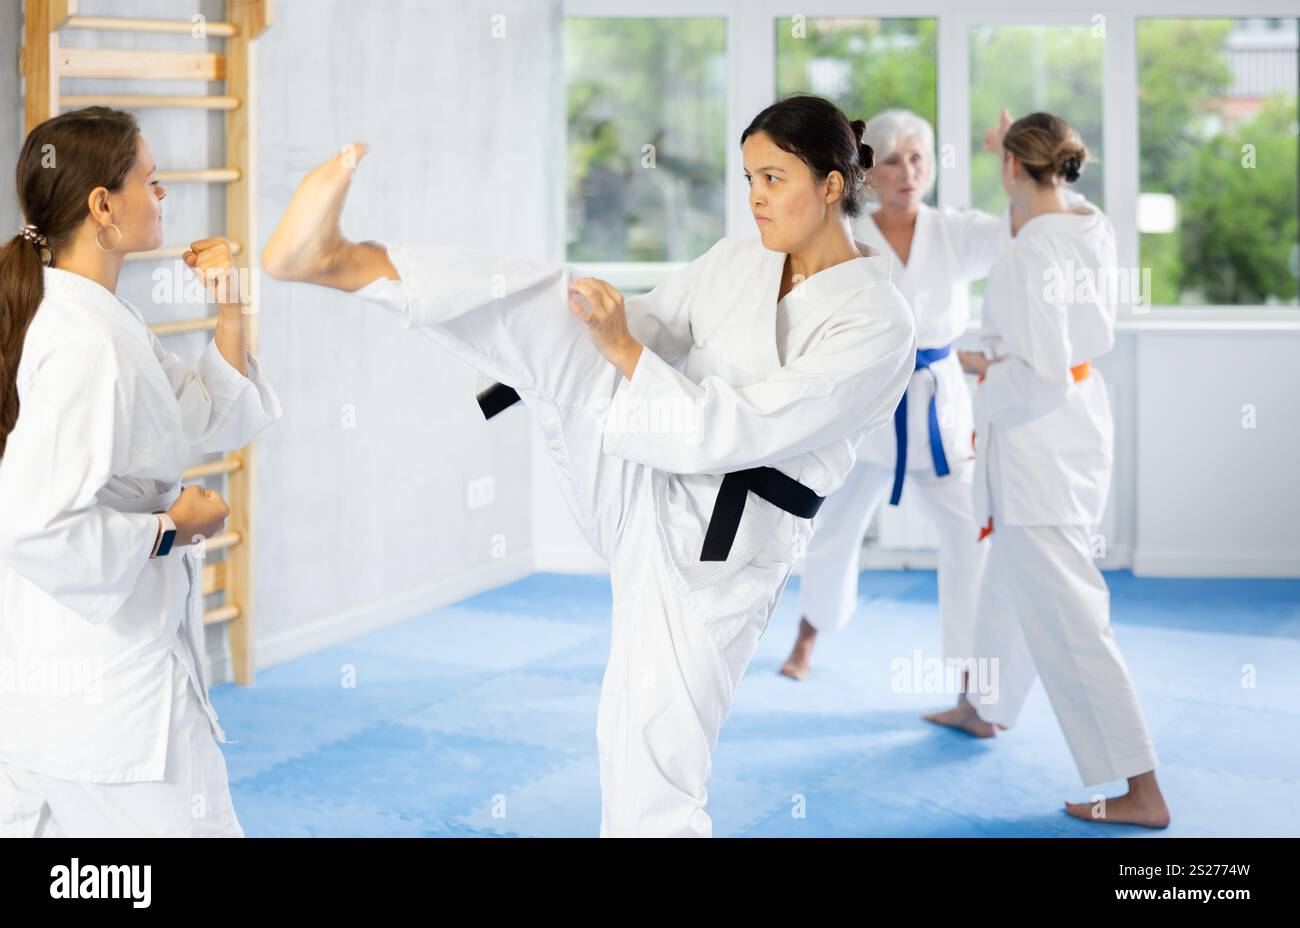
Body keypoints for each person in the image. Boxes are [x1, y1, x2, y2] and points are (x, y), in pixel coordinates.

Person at [261, 94, 917, 837]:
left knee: (650, 758)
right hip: (646, 469)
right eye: (748, 179)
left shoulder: (877, 320)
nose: (755, 198)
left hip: (723, 547)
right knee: (552, 305)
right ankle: (340, 260)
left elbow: (741, 427)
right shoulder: (739, 261)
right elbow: (655, 323)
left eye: (772, 178)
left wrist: (623, 352)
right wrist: (598, 325)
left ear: (832, 186)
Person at [0, 107, 282, 837]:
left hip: (58, 695)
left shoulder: (88, 318)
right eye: (151, 183)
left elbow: (196, 418)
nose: (163, 198)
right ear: (102, 205)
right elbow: (34, 527)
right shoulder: (84, 342)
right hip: (106, 699)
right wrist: (168, 530)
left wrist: (230, 312)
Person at [944, 111, 1170, 828]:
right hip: (1075, 423)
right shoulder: (1085, 225)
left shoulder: (1028, 254)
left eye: (1005, 163)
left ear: (1013, 168)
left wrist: (984, 370)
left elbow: (1038, 376)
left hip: (1040, 440)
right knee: (1009, 579)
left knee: (1072, 616)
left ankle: (1139, 786)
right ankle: (982, 703)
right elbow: (1051, 227)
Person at [780, 108, 1018, 690]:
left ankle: (967, 670)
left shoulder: (955, 231)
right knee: (833, 526)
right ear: (870, 173)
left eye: (917, 159)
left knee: (967, 537)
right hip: (869, 406)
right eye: (892, 161)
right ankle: (807, 636)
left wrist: (1012, 159)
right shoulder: (852, 238)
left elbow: (1024, 226)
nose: (908, 172)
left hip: (939, 410)